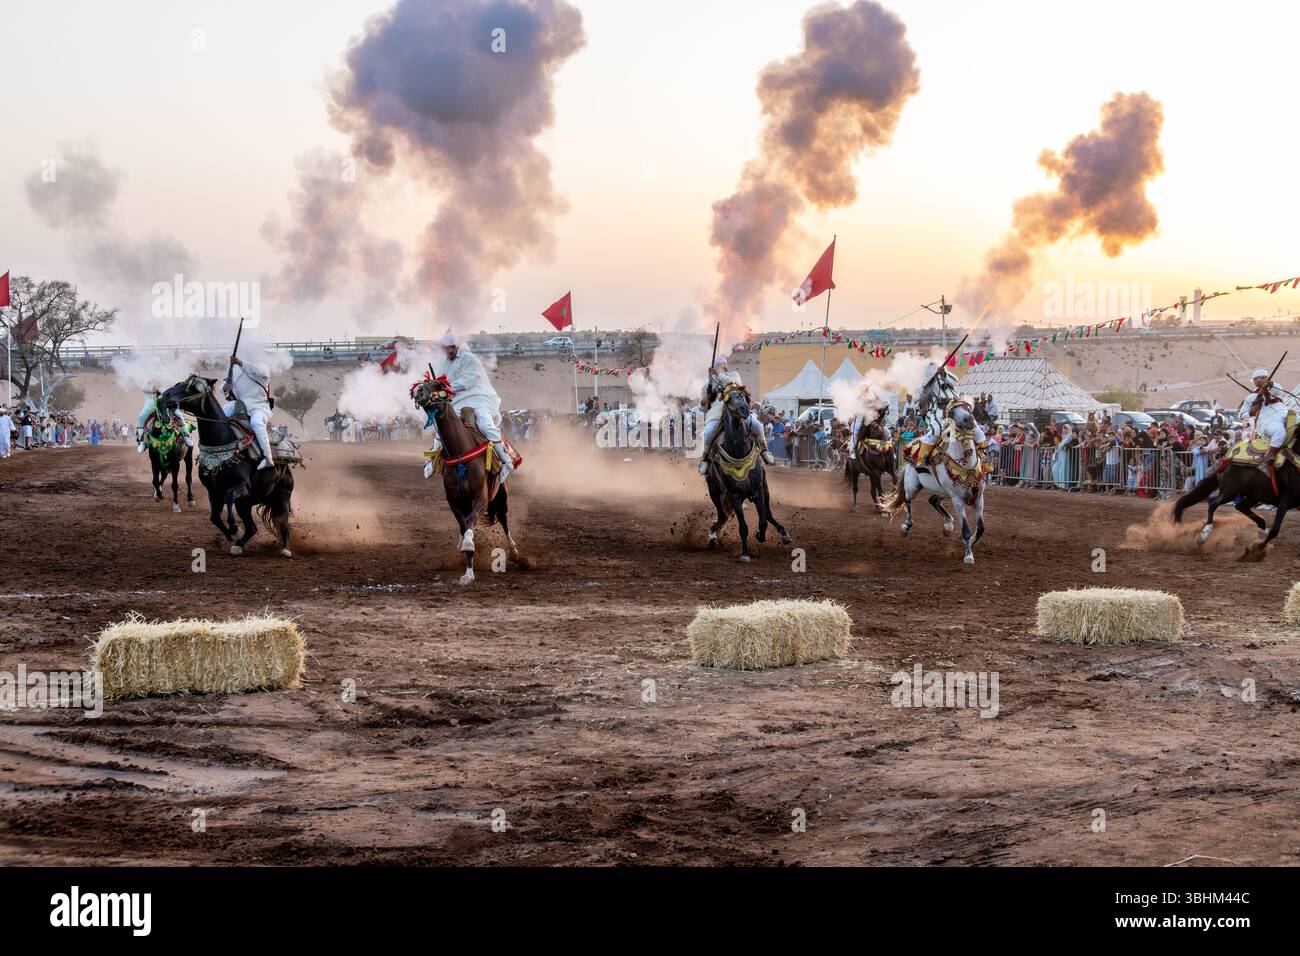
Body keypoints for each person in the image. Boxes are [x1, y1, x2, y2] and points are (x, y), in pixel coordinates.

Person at [433, 328, 517, 482]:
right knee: (443, 426)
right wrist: (433, 387)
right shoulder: (443, 363)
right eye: (448, 347)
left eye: (453, 346)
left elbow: (468, 381)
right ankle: (432, 459)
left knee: (486, 425)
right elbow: (440, 382)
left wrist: (445, 391)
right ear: (444, 348)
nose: (451, 350)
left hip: (478, 397)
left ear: (457, 345)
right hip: (456, 401)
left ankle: (507, 462)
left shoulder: (470, 358)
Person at [696, 355, 773, 475]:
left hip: (737, 411)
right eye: (720, 365)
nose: (723, 366)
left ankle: (764, 450)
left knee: (757, 425)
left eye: (724, 364)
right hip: (717, 415)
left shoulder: (733, 376)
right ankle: (705, 459)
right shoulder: (707, 385)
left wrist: (718, 376)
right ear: (714, 367)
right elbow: (702, 406)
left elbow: (734, 383)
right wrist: (709, 392)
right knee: (708, 433)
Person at [222, 354, 276, 469]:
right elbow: (225, 390)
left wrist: (240, 362)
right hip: (240, 405)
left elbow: (256, 370)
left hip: (259, 407)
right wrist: (226, 385)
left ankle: (268, 458)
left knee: (256, 422)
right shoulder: (236, 372)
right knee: (219, 415)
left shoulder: (262, 368)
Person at [1238, 367, 1294, 474]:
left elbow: (1277, 388)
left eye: (1266, 377)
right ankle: (1267, 459)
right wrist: (1250, 412)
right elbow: (1241, 416)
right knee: (1279, 431)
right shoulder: (1251, 398)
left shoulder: (1274, 389)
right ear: (1255, 381)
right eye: (1261, 378)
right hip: (1267, 422)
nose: (1264, 379)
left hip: (1285, 415)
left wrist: (1270, 384)